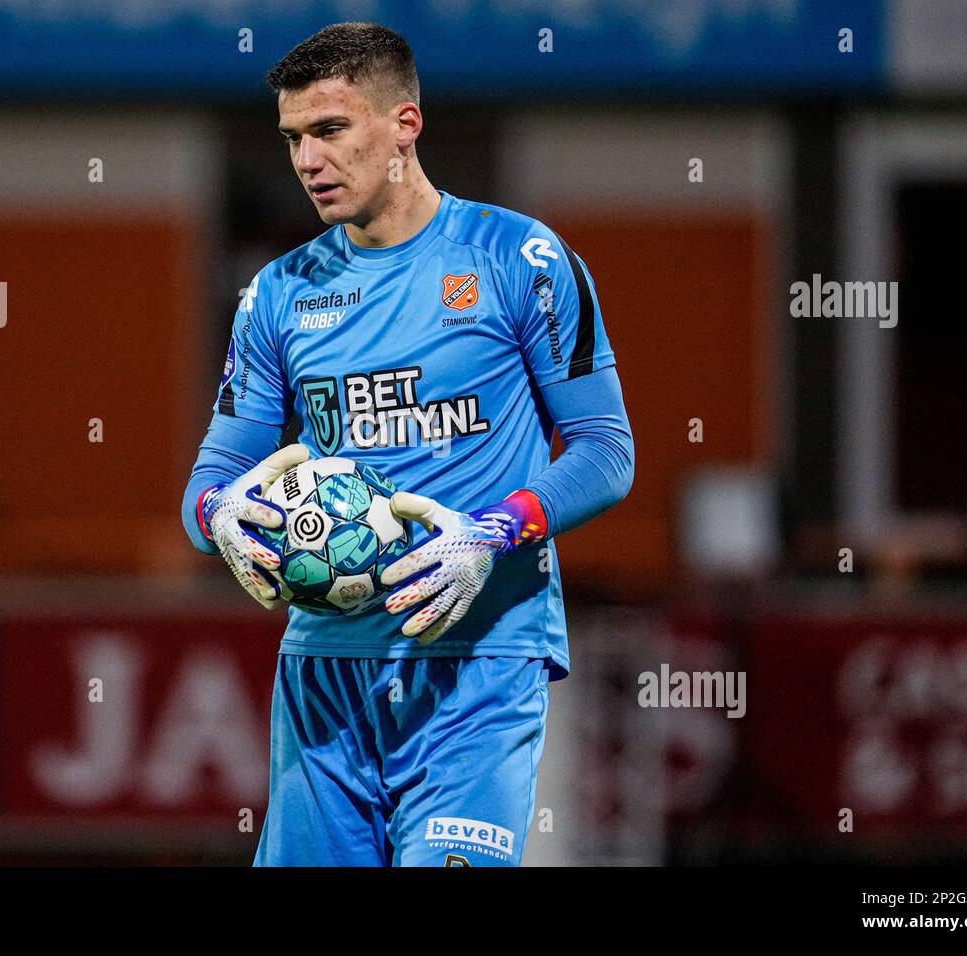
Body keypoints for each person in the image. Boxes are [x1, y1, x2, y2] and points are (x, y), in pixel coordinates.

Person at [183, 22, 634, 866]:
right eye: (292, 139)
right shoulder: (277, 295)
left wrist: (490, 533)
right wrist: (222, 516)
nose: (307, 161)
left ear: (404, 126)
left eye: (329, 131)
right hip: (326, 676)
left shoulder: (519, 259)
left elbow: (607, 451)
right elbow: (210, 480)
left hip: (482, 661)